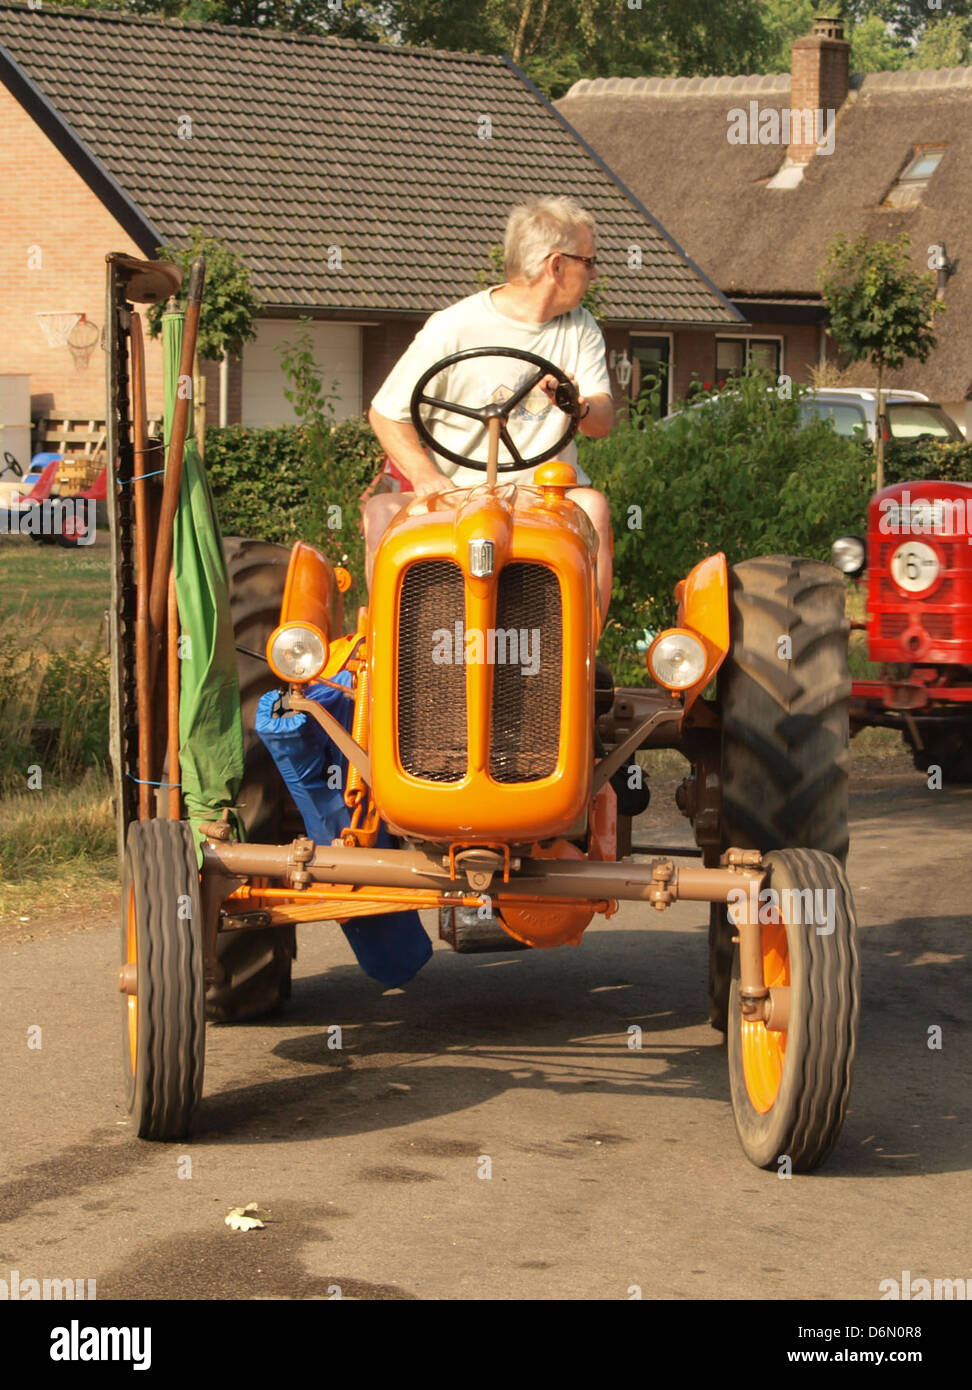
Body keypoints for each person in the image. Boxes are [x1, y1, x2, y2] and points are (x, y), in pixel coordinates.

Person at [365, 196, 616, 621]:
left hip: (544, 498)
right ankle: (387, 655)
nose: (594, 273)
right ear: (556, 265)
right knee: (380, 510)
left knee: (593, 506)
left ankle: (582, 659)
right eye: (588, 262)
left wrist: (578, 405)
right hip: (454, 496)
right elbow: (385, 412)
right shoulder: (453, 328)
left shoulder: (579, 327)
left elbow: (603, 422)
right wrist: (427, 477)